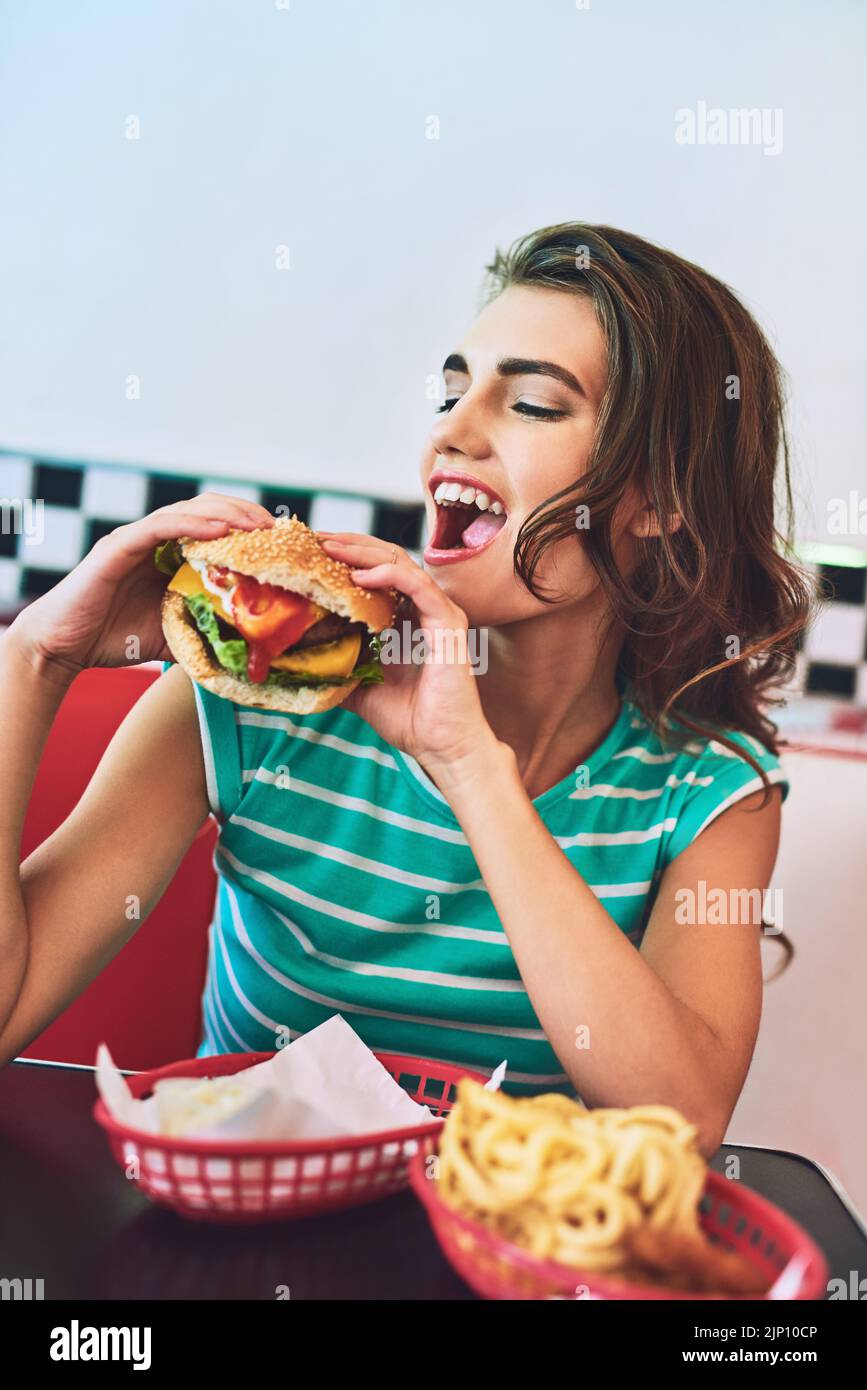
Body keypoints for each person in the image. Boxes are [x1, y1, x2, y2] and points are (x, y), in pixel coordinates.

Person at [0, 223, 811, 1156]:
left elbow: (678, 1122)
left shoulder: (707, 793)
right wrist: (33, 662)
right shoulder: (252, 694)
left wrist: (470, 768)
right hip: (241, 1235)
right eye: (453, 391)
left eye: (534, 405)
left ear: (662, 496)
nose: (450, 434)